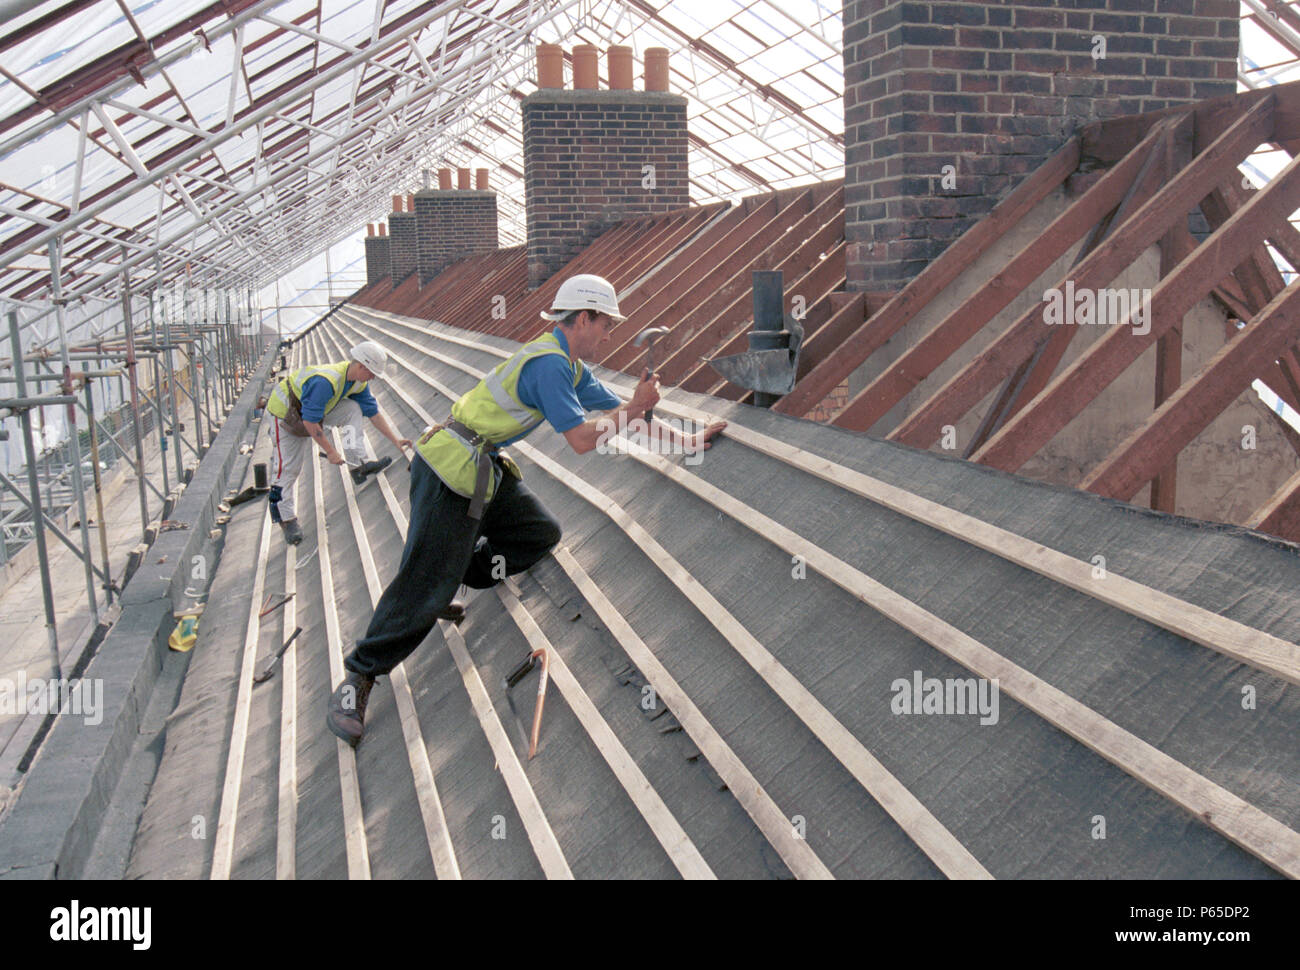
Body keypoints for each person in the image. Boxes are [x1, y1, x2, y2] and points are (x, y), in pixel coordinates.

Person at [327, 273, 726, 746]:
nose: (609, 334)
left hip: (480, 469)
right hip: (448, 473)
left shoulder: (568, 365)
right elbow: (582, 441)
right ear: (583, 318)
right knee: (421, 584)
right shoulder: (550, 367)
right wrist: (635, 405)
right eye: (605, 324)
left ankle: (457, 570)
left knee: (538, 532)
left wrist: (689, 440)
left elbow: (624, 414)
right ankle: (358, 677)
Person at [265, 340, 412, 545]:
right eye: (371, 373)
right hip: (285, 416)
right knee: (288, 469)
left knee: (353, 408)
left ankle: (358, 464)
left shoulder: (357, 382)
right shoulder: (325, 382)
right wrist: (330, 451)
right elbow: (309, 421)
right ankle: (286, 519)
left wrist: (396, 440)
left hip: (309, 410)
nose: (372, 378)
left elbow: (373, 413)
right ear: (361, 365)